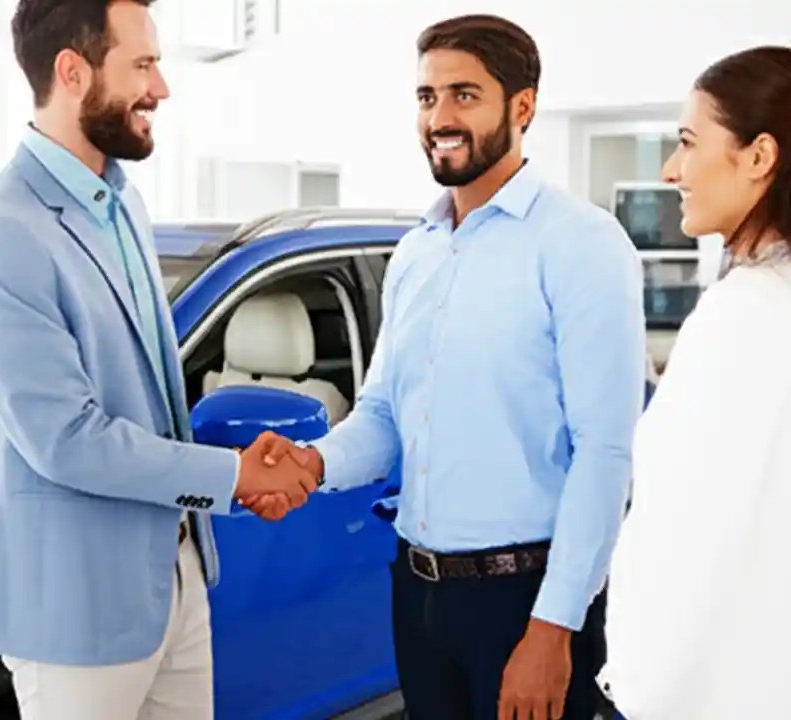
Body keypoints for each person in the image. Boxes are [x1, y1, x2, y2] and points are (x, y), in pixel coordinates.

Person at [250, 13, 645, 720]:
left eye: (464, 94)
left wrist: (554, 627)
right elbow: (380, 417)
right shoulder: (418, 252)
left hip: (523, 600)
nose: (440, 116)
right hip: (418, 591)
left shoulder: (581, 244)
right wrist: (311, 464)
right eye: (427, 97)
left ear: (522, 107)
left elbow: (605, 453)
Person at [0, 2, 318, 718]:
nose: (161, 88)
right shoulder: (2, 230)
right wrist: (234, 475)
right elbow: (66, 439)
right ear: (72, 71)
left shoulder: (122, 203)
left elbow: (150, 401)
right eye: (142, 64)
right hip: (79, 612)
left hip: (174, 577)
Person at [598, 46, 791, 719]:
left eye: (688, 143)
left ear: (759, 156)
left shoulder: (748, 313)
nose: (672, 170)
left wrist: (631, 687)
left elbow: (682, 544)